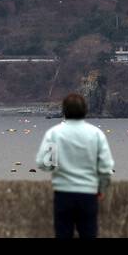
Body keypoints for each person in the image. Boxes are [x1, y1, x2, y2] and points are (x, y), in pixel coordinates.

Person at [35, 92, 114, 239]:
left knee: (63, 234)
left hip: (63, 193)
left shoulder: (54, 134)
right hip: (88, 194)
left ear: (64, 111)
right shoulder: (96, 134)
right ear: (85, 110)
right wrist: (101, 188)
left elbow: (44, 163)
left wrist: (56, 166)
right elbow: (106, 167)